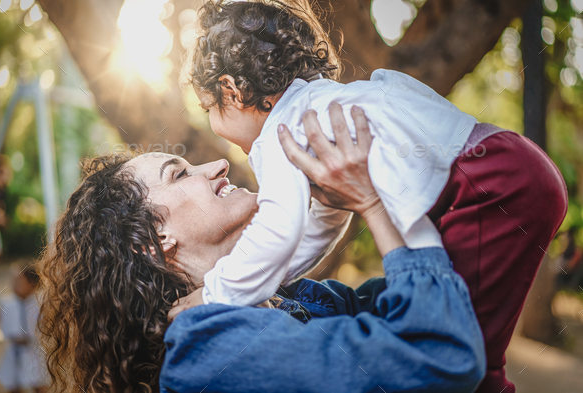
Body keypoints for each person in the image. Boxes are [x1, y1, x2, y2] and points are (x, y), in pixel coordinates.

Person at [185, 1, 567, 391]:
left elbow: (278, 226)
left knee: (463, 354)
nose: (211, 122)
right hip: (513, 169)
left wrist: (219, 293)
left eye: (207, 108)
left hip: (487, 191)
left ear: (230, 90)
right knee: (475, 340)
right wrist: (270, 282)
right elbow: (320, 221)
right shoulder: (323, 106)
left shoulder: (280, 134)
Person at [37, 107, 486, 393]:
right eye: (179, 174)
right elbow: (441, 357)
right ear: (151, 241)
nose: (218, 164)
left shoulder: (297, 298)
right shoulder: (207, 355)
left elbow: (451, 295)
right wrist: (370, 201)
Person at [0, 266, 48, 393]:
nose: (14, 284)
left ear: (32, 284)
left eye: (19, 281)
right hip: (13, 351)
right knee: (12, 384)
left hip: (34, 351)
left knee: (38, 384)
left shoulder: (42, 304)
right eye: (13, 280)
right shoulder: (7, 303)